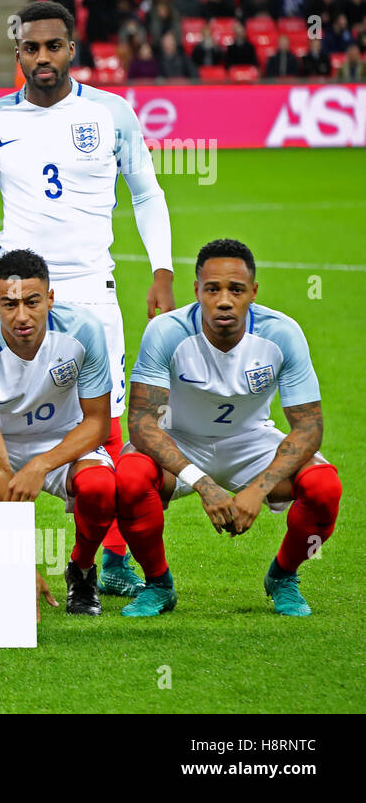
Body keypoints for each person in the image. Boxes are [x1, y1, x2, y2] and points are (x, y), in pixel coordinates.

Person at [0, 0, 175, 597]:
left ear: (72, 48)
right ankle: (8, 565)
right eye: (30, 48)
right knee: (1, 403)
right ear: (16, 53)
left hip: (91, 290)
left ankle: (115, 557)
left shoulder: (111, 112)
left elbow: (145, 193)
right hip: (18, 293)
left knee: (108, 425)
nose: (42, 58)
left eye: (53, 46)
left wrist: (163, 269)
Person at [115, 239, 340, 617]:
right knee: (130, 478)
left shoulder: (282, 333)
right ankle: (157, 584)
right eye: (212, 289)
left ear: (252, 292)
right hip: (181, 440)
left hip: (252, 443)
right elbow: (140, 423)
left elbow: (309, 427)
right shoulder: (167, 331)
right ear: (197, 291)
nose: (223, 300)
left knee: (324, 487)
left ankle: (284, 576)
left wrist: (259, 489)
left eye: (235, 290)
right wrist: (202, 484)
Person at [0, 250, 116, 615]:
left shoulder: (84, 331)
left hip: (62, 439)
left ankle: (82, 571)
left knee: (100, 486)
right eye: (9, 305)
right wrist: (21, 564)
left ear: (50, 298)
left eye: (32, 302)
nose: (22, 316)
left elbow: (98, 423)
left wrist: (42, 465)